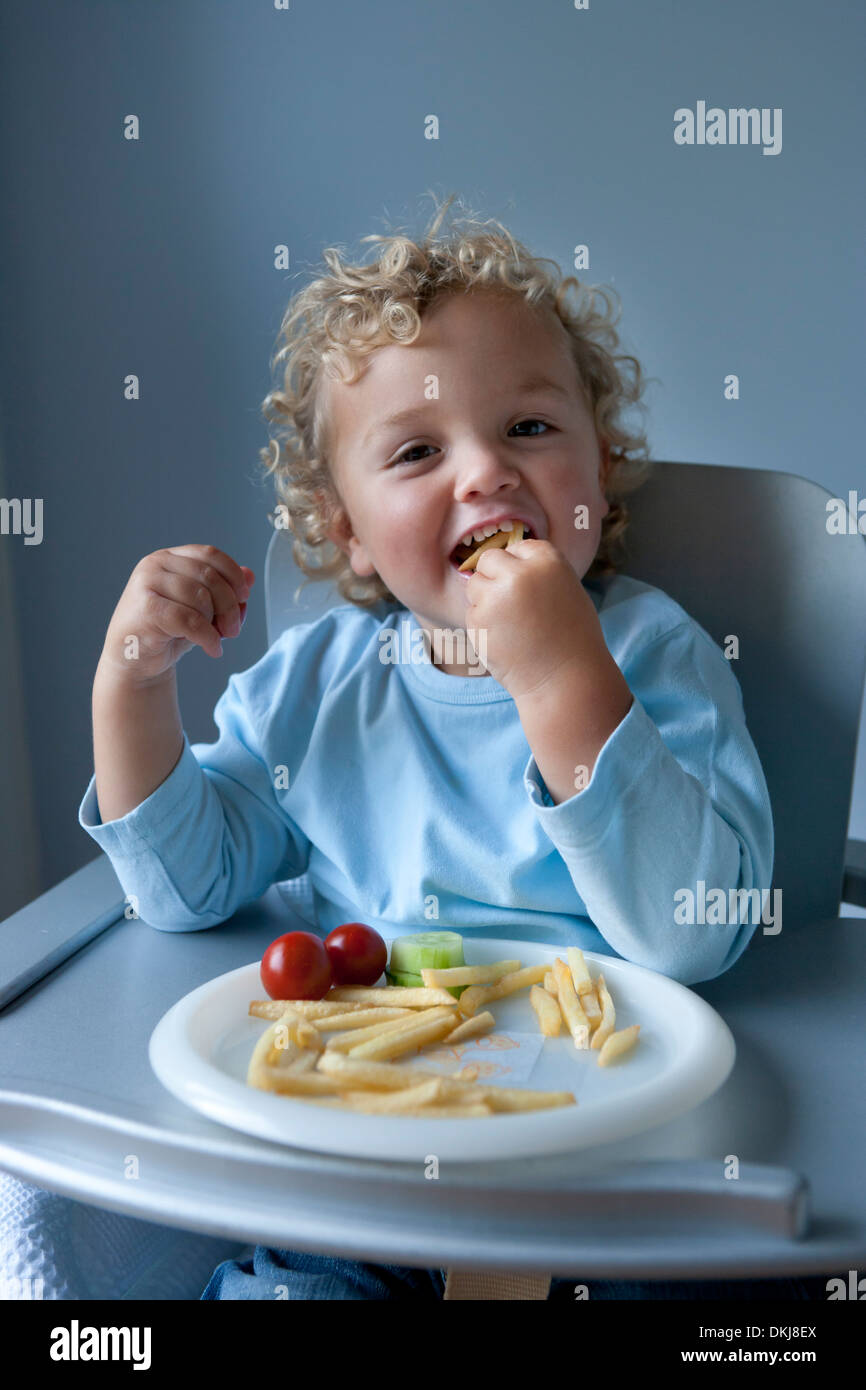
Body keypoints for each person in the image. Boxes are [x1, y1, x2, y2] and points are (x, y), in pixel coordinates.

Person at [79, 194, 823, 1301]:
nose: (482, 473)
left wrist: (559, 675)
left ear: (599, 465)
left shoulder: (654, 652)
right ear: (346, 530)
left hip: (613, 1146)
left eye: (527, 429)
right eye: (418, 450)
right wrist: (129, 686)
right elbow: (184, 891)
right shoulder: (318, 687)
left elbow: (691, 933)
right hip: (367, 1138)